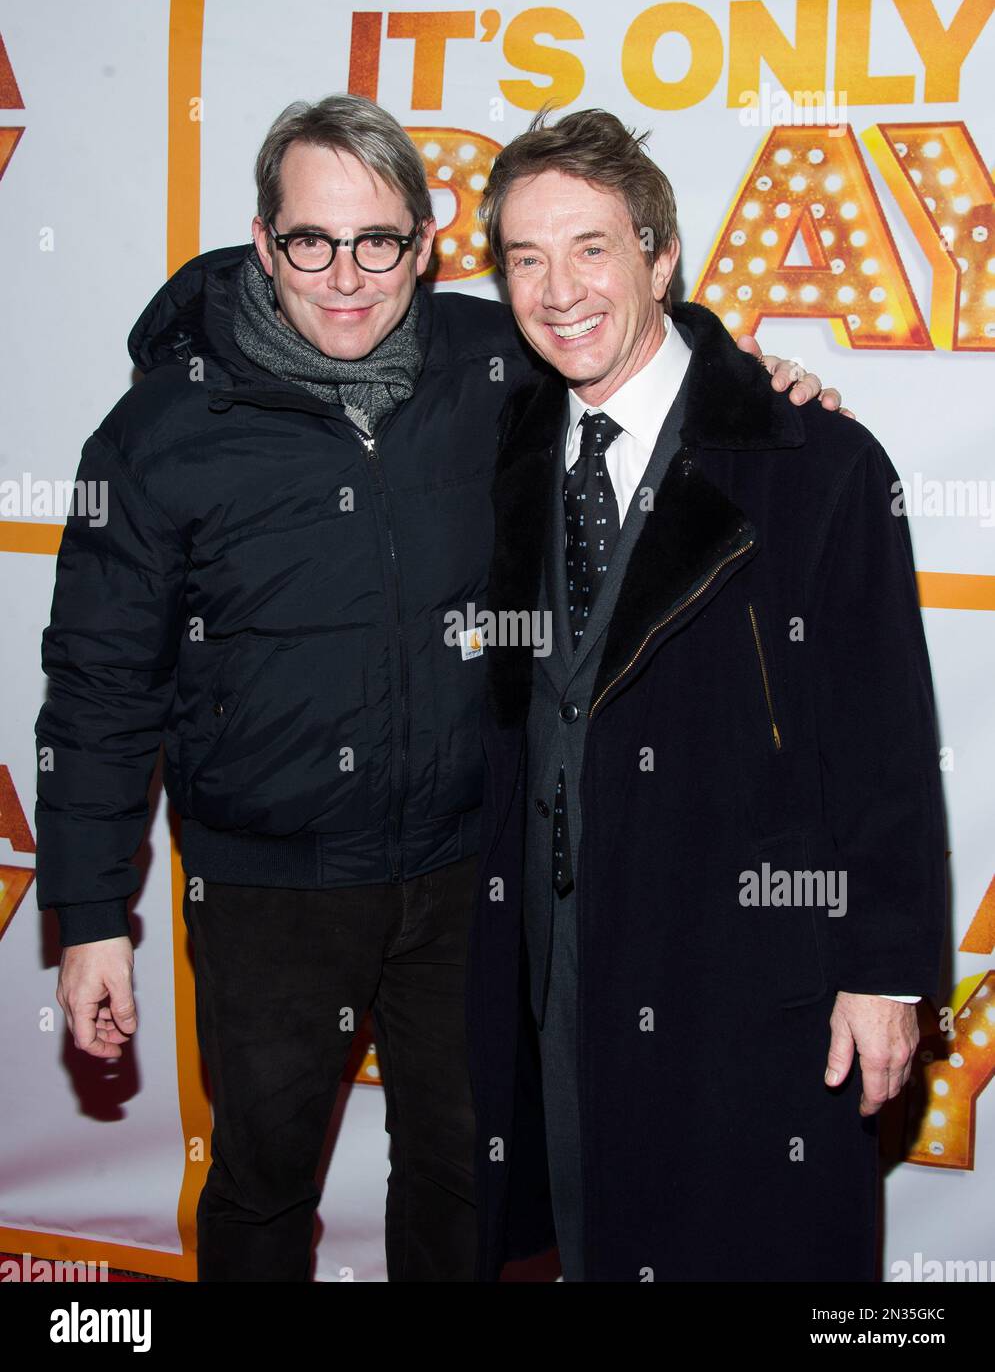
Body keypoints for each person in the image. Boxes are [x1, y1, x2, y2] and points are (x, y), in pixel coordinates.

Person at [36, 94, 844, 1283]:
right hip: (271, 891)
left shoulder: (493, 365)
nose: (346, 277)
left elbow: (628, 342)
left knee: (469, 1176)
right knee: (261, 1185)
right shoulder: (160, 432)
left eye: (378, 242)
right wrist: (92, 912)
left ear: (422, 245)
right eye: (311, 241)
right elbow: (98, 684)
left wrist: (751, 375)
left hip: (473, 872)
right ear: (263, 242)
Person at [467, 108, 946, 1282]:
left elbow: (886, 742)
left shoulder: (814, 460)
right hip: (558, 961)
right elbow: (337, 296)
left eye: (589, 247)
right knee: (586, 1240)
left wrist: (886, 971)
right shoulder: (509, 439)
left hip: (748, 969)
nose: (557, 287)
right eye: (523, 258)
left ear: (659, 256)